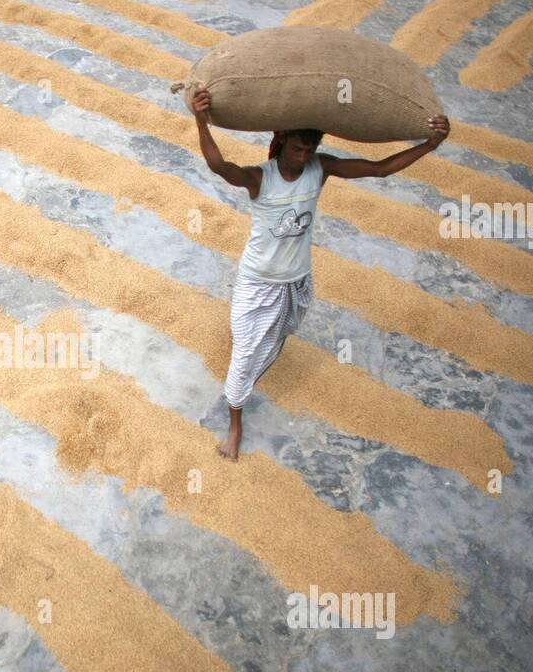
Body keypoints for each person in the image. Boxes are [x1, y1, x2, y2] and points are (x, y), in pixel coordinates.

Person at [190, 87, 450, 460]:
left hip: (296, 279)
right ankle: (234, 424)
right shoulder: (260, 179)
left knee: (277, 334)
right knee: (245, 352)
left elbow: (379, 169)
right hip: (259, 280)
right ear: (281, 142)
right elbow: (219, 166)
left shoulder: (321, 168)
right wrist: (202, 120)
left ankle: (249, 358)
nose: (304, 155)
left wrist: (431, 144)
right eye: (298, 147)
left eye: (310, 148)